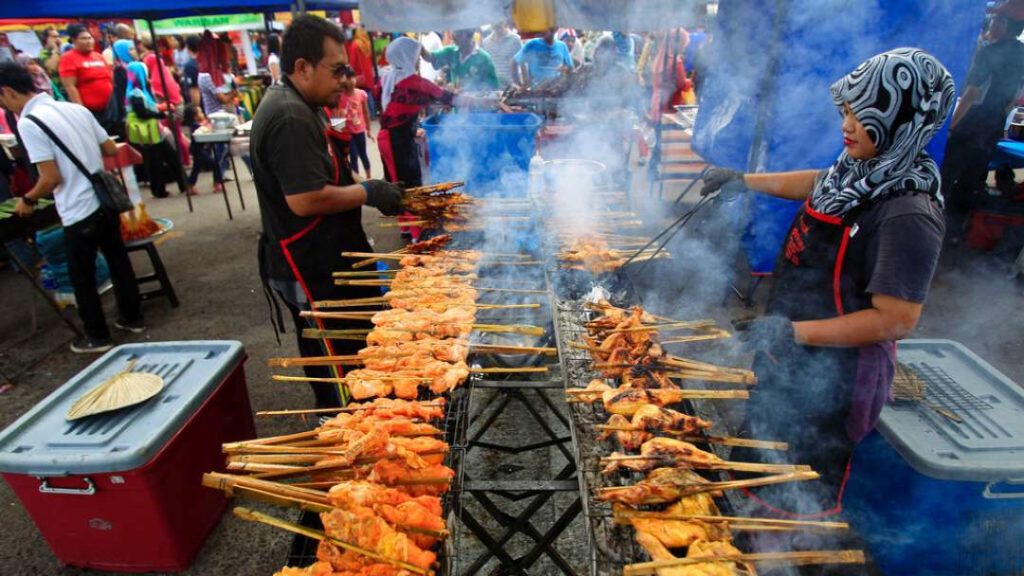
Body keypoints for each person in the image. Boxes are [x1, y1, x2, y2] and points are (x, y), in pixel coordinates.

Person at [699, 48, 954, 519]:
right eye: (847, 109)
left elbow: (896, 319)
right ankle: (753, 543)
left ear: (902, 115)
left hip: (836, 382)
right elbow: (818, 182)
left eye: (865, 111)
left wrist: (794, 332)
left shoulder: (906, 211)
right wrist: (744, 181)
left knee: (795, 499)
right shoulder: (860, 171)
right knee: (760, 477)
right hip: (790, 355)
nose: (849, 123)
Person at [250, 15, 404, 409]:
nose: (345, 80)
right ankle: (342, 422)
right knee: (338, 359)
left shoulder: (302, 101)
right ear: (302, 67)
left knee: (347, 348)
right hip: (310, 263)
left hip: (325, 255)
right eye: (337, 70)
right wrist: (368, 191)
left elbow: (324, 156)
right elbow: (305, 200)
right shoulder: (288, 116)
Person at [1, 61, 145, 353]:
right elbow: (108, 149)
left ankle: (97, 336)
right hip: (104, 202)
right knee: (119, 261)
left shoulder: (30, 124)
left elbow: (51, 178)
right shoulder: (74, 108)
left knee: (82, 276)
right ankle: (133, 318)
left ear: (7, 92)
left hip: (78, 209)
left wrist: (27, 199)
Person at [942, 9, 1024, 230]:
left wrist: (951, 126)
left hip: (972, 125)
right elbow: (1014, 98)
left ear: (1006, 26)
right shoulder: (1022, 53)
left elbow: (971, 95)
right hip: (993, 126)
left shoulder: (990, 53)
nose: (991, 23)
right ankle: (954, 233)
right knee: (969, 182)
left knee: (945, 177)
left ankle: (931, 227)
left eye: (997, 20)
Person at [124, 62, 192, 198]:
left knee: (167, 157)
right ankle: (166, 188)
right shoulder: (136, 93)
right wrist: (160, 114)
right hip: (149, 132)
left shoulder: (140, 90)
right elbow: (142, 113)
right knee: (158, 161)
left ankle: (180, 185)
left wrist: (159, 108)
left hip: (153, 131)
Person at [59, 24, 115, 129]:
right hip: (91, 111)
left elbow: (109, 78)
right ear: (74, 40)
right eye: (84, 39)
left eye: (90, 38)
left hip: (110, 107)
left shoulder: (98, 56)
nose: (89, 41)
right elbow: (70, 87)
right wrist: (82, 112)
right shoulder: (68, 58)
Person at [423, 28, 499, 92]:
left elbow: (493, 88)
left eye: (458, 32)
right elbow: (430, 58)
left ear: (470, 35)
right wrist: (419, 47)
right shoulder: (451, 51)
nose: (453, 36)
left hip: (476, 108)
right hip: (456, 106)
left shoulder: (484, 58)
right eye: (454, 31)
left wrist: (474, 94)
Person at [334, 67, 373, 177]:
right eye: (348, 77)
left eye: (353, 77)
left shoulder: (361, 94)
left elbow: (366, 113)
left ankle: (369, 177)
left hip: (360, 131)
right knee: (353, 156)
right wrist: (338, 132)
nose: (351, 80)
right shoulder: (339, 96)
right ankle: (357, 180)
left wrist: (369, 130)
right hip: (347, 133)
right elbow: (336, 114)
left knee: (363, 154)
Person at [185, 104, 224, 193]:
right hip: (199, 151)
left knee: (196, 168)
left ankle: (190, 186)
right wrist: (208, 124)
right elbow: (204, 129)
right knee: (215, 165)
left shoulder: (196, 124)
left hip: (198, 150)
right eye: (200, 112)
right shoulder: (195, 125)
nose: (202, 114)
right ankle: (217, 183)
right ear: (195, 117)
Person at [482, 21, 522, 89]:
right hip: (494, 87)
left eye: (499, 21)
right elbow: (485, 66)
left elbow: (522, 63)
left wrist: (523, 84)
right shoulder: (485, 42)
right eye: (494, 20)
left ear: (505, 22)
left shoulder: (515, 39)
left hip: (512, 86)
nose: (496, 23)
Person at [346, 28, 376, 113]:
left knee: (361, 93)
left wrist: (350, 72)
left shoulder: (355, 44)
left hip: (359, 72)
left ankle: (367, 113)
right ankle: (373, 112)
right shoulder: (368, 43)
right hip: (368, 72)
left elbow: (352, 60)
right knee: (369, 92)